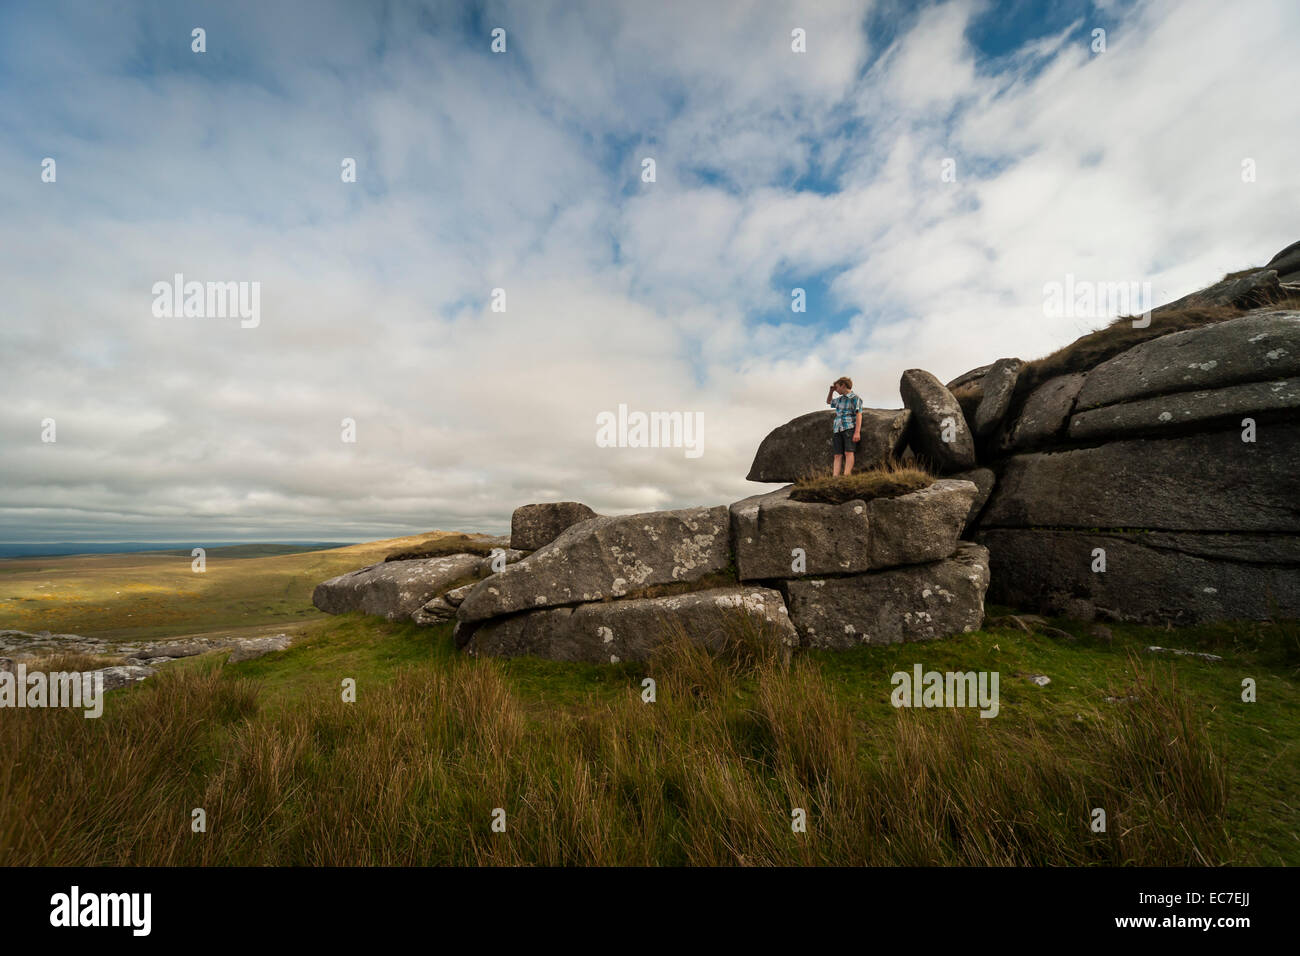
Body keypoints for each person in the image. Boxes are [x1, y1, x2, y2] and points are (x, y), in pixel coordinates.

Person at [826, 376, 863, 475]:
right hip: (837, 429)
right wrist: (831, 391)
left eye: (837, 387)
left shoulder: (855, 398)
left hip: (849, 428)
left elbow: (858, 414)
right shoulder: (839, 399)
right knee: (837, 455)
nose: (836, 390)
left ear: (843, 385)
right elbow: (829, 401)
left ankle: (846, 475)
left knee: (848, 452)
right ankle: (835, 477)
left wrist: (857, 432)